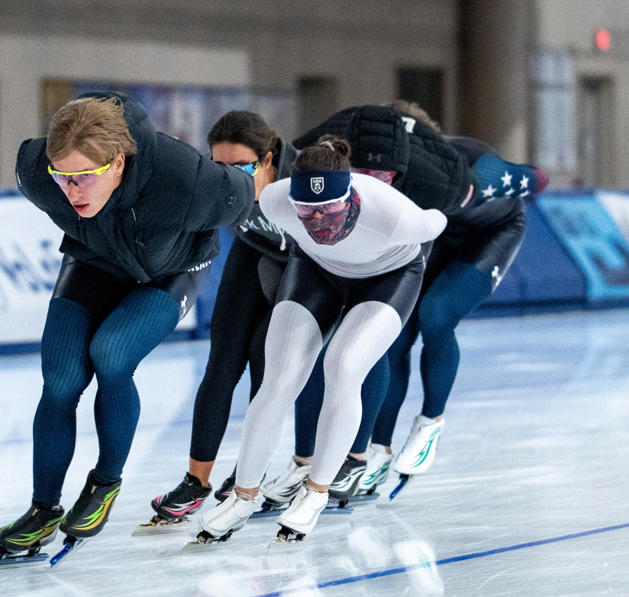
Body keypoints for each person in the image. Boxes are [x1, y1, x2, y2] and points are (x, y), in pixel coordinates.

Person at [0, 92, 253, 558]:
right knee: (60, 380)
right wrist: (66, 179)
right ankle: (43, 507)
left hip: (172, 270)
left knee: (111, 355)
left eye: (84, 178)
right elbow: (61, 179)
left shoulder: (187, 182)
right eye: (63, 177)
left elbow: (246, 188)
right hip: (94, 260)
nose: (71, 191)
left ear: (116, 164)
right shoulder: (36, 172)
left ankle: (104, 482)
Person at [284, 102, 546, 503]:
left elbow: (534, 180)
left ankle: (430, 421)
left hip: (489, 235)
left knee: (436, 313)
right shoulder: (384, 169)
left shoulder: (465, 162)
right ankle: (378, 450)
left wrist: (519, 178)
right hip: (435, 234)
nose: (379, 176)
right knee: (392, 336)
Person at [196, 135, 447, 543]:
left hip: (387, 278)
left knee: (344, 367)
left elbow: (439, 220)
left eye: (328, 210)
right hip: (317, 271)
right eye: (306, 213)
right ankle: (243, 495)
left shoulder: (396, 215)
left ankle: (316, 491)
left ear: (350, 197)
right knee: (279, 379)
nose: (317, 222)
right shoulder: (277, 201)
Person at [145, 111, 298, 527]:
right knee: (222, 362)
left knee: (262, 358)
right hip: (256, 251)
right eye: (220, 168)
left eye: (242, 168)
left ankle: (250, 474)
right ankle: (196, 482)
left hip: (305, 267)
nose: (230, 179)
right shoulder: (213, 185)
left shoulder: (301, 180)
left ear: (268, 160)